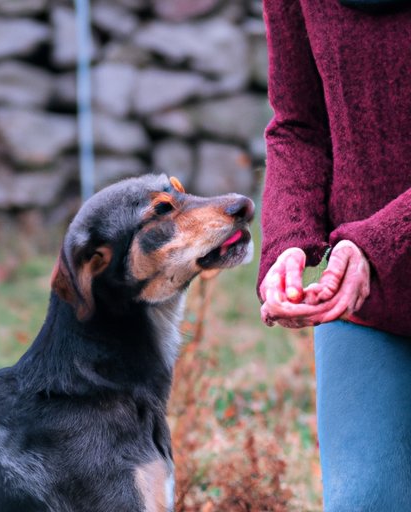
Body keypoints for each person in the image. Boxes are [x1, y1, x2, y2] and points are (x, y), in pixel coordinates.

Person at [257, 1, 411, 510]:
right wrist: (287, 244)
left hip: (368, 262)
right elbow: (299, 125)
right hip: (366, 303)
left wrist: (379, 242)